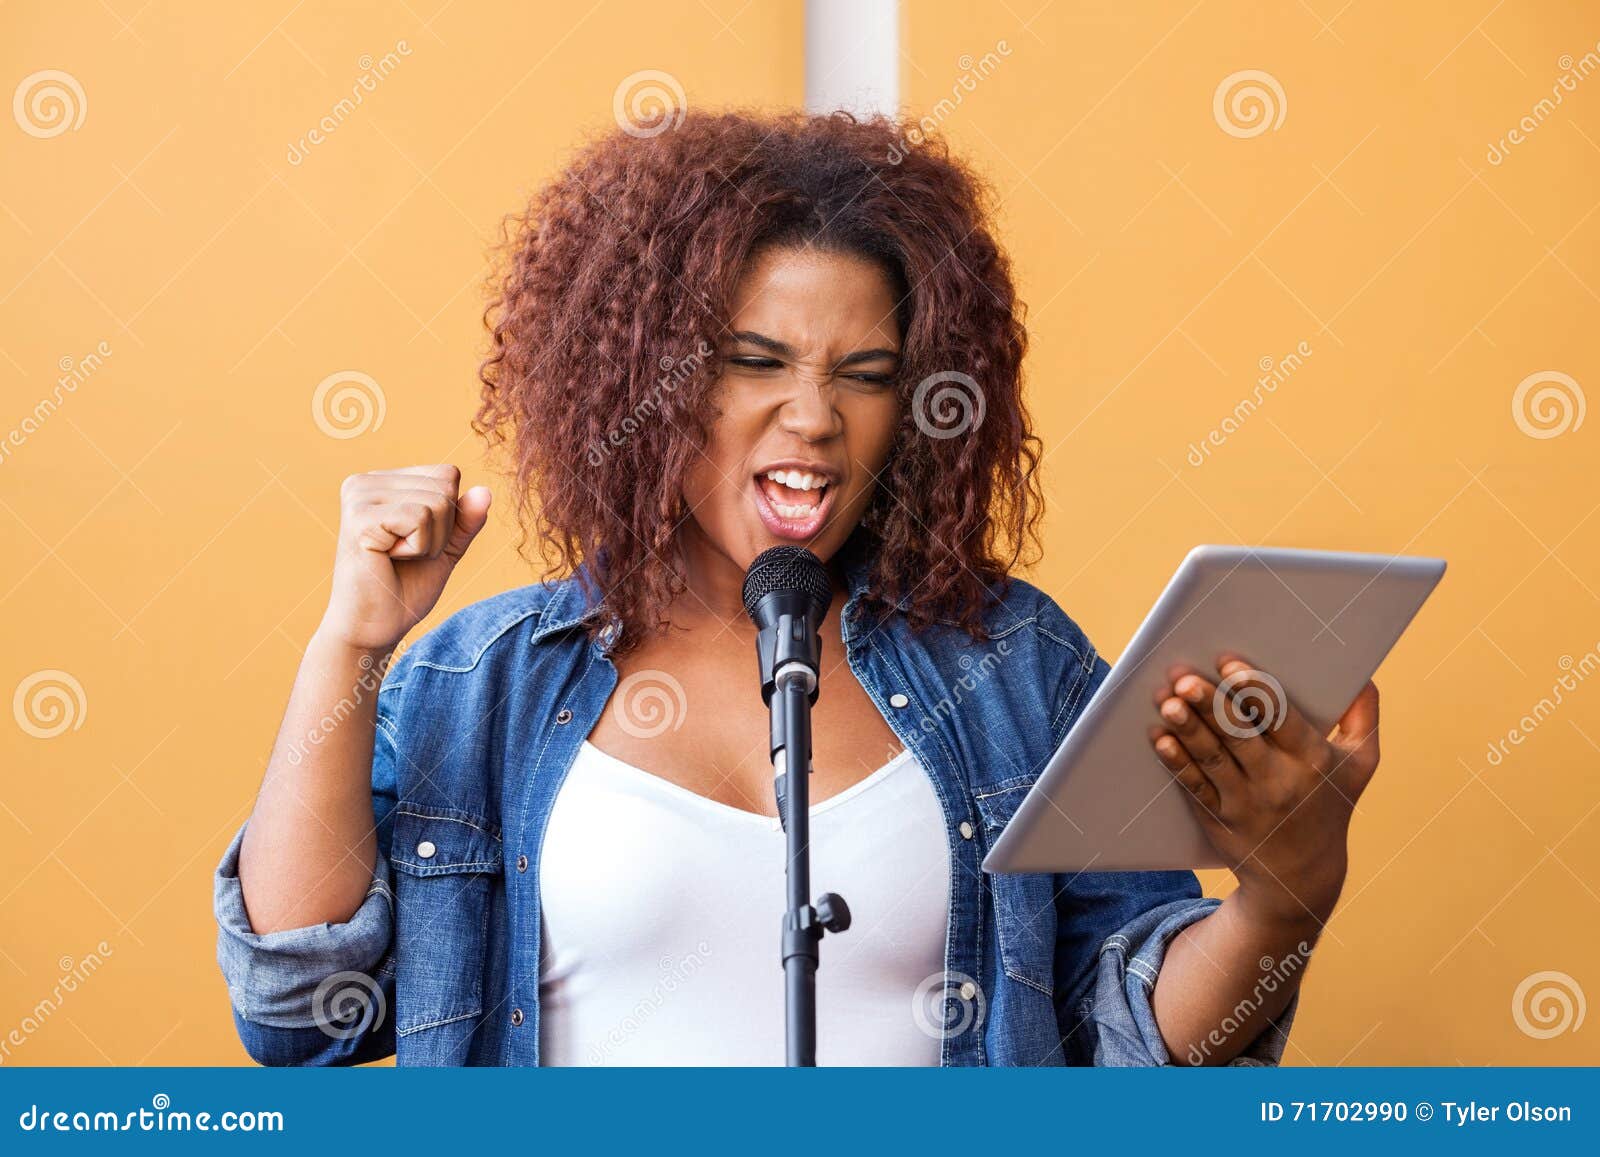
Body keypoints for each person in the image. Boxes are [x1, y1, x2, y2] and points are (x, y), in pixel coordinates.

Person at [214, 110, 1380, 1066]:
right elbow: (297, 1011)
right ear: (640, 375)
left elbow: (1135, 1052)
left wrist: (1284, 893)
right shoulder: (486, 678)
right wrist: (351, 646)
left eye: (866, 376)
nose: (816, 418)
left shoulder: (1012, 661)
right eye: (755, 362)